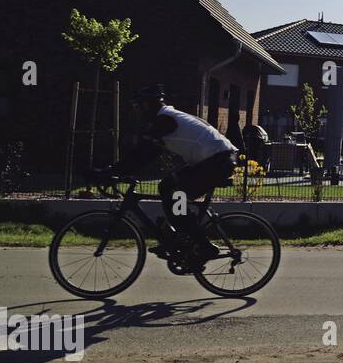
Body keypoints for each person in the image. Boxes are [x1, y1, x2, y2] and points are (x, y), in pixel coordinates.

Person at [90, 85, 237, 261]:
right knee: (167, 186)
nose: (136, 112)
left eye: (137, 107)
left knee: (177, 197)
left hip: (218, 162)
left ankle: (204, 246)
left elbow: (142, 153)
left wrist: (111, 171)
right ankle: (180, 239)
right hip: (213, 160)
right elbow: (148, 155)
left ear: (146, 106)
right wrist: (117, 170)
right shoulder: (166, 118)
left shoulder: (164, 121)